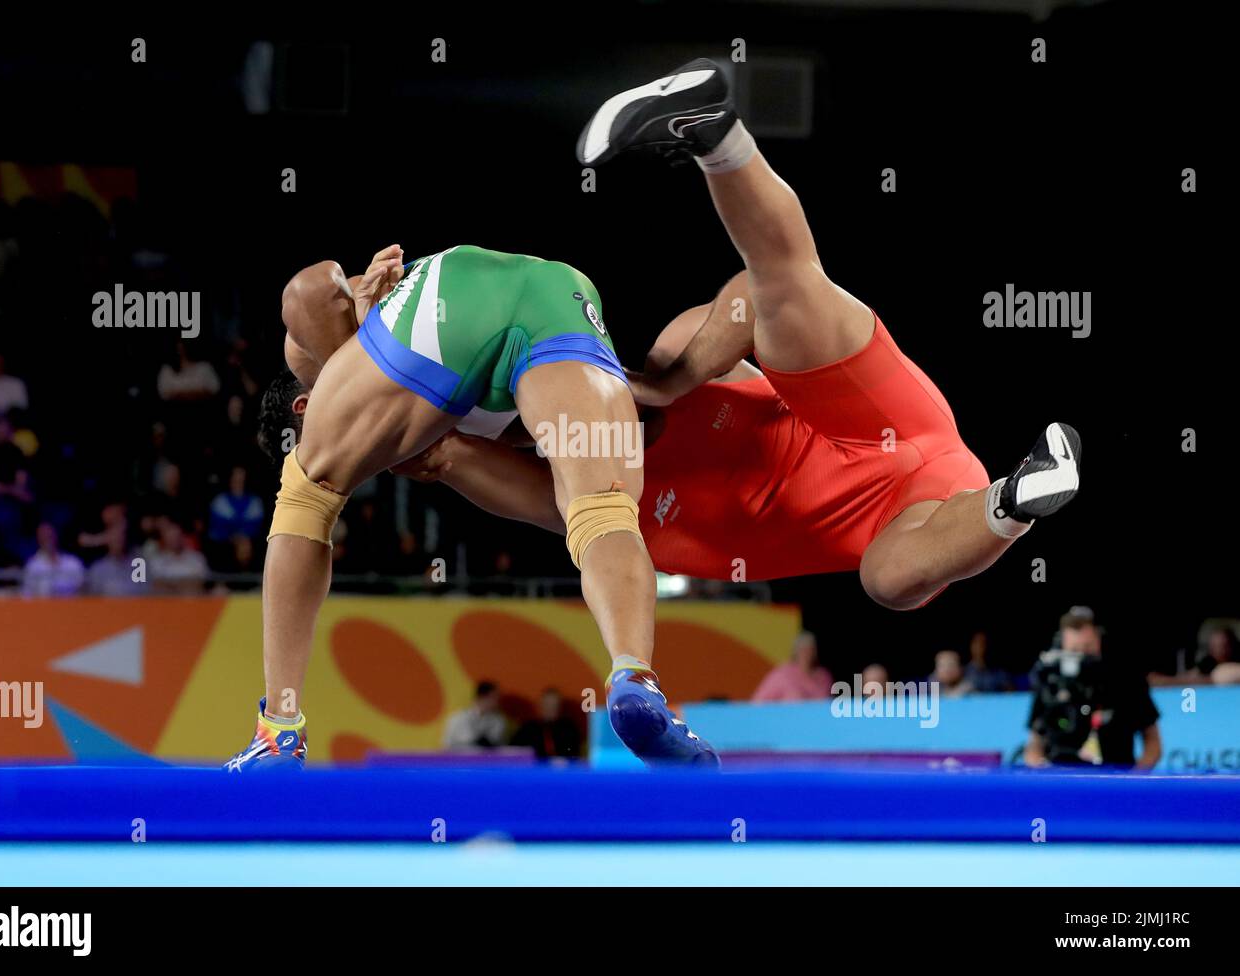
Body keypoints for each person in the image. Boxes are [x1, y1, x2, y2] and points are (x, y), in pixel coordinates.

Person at [391, 58, 1081, 613]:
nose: (564, 418)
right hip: (927, 520)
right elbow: (438, 455)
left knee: (784, 289)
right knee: (887, 582)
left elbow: (751, 300)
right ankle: (1017, 496)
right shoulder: (592, 495)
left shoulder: (674, 359)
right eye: (537, 423)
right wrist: (329, 418)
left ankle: (711, 128)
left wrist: (670, 382)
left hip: (884, 429)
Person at [226, 244, 717, 771]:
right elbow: (561, 513)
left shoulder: (321, 368)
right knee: (602, 511)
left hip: (448, 303)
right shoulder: (435, 440)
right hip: (559, 295)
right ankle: (634, 679)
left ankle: (278, 729)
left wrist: (360, 325)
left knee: (306, 493)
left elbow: (309, 288)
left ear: (306, 407)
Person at [1023, 610, 1162, 770]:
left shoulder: (1127, 680)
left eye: (1087, 648)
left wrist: (1133, 779)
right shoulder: (1051, 683)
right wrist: (1042, 771)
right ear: (1062, 644)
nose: (1081, 656)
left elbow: (1153, 743)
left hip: (1114, 784)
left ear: (1099, 640)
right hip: (1062, 784)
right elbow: (1034, 745)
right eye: (1074, 650)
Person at [752, 630, 834, 702]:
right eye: (803, 649)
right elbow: (758, 701)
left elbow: (830, 706)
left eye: (810, 649)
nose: (807, 654)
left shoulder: (824, 677)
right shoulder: (782, 674)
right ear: (795, 651)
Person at [511, 688, 583, 759]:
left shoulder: (569, 728)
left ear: (559, 706)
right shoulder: (528, 728)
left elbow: (574, 753)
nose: (550, 709)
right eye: (547, 704)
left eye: (553, 706)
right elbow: (515, 751)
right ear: (540, 705)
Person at [21, 522, 85, 597]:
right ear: (38, 539)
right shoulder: (33, 566)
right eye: (43, 536)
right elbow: (27, 594)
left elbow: (83, 590)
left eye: (49, 535)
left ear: (56, 535)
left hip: (71, 606)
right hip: (43, 607)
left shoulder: (73, 562)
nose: (47, 538)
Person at [441, 681, 508, 751]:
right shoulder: (458, 718)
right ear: (481, 697)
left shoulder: (498, 720)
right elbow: (446, 745)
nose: (497, 702)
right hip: (460, 760)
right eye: (494, 697)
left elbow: (499, 746)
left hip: (488, 761)